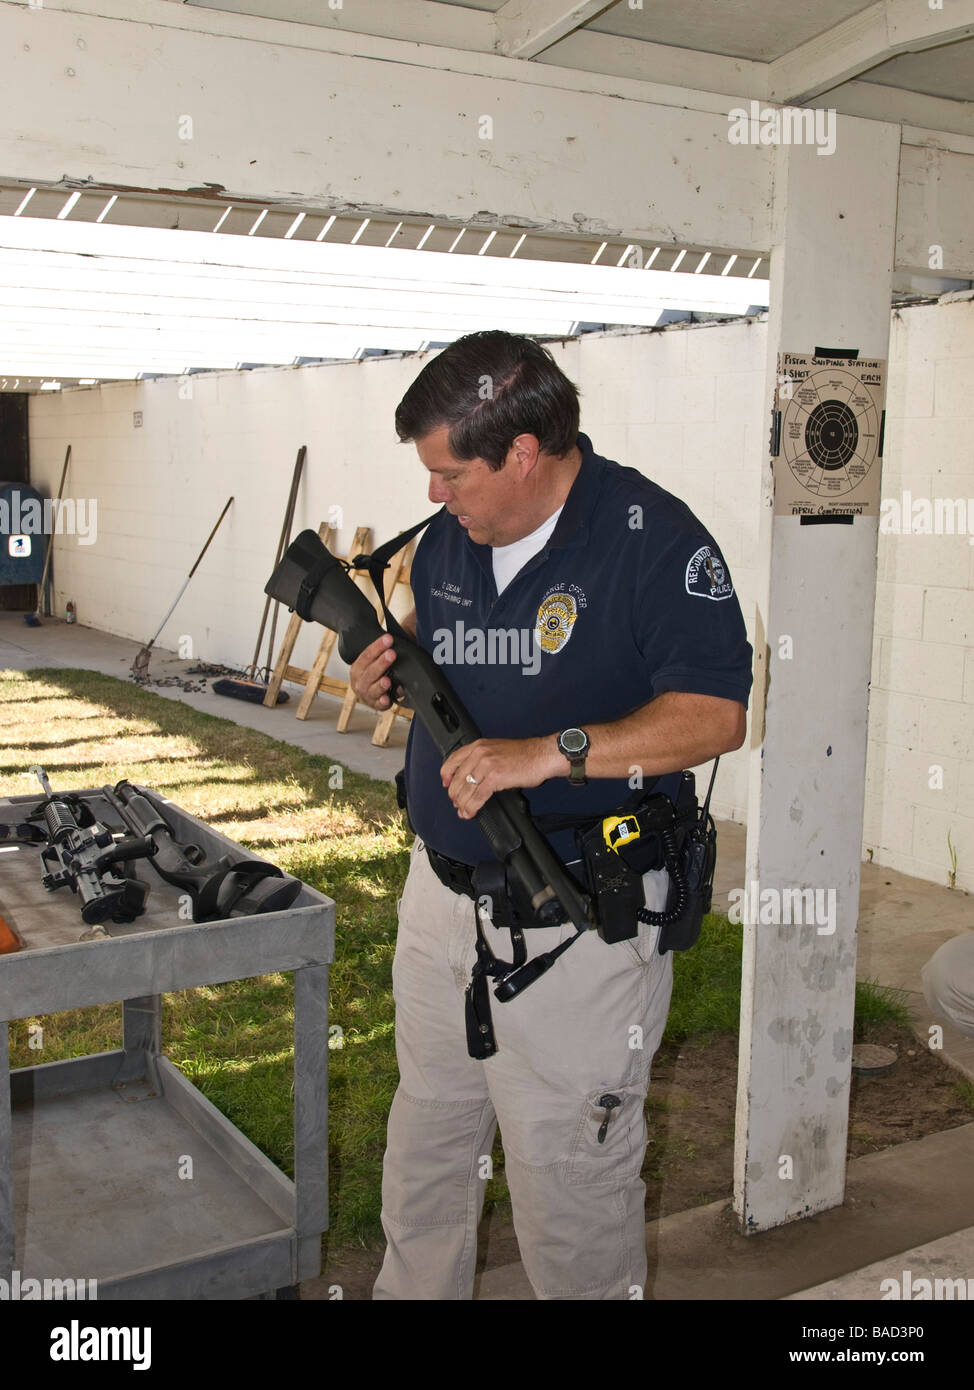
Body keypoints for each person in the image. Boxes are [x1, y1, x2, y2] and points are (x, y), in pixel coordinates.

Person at [351, 330, 753, 1300]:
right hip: (439, 904)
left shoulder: (650, 540)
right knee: (425, 1162)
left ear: (521, 453)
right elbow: (438, 642)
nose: (435, 496)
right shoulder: (452, 538)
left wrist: (547, 754)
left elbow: (715, 714)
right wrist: (387, 667)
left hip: (573, 920)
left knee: (571, 1190)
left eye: (450, 472)